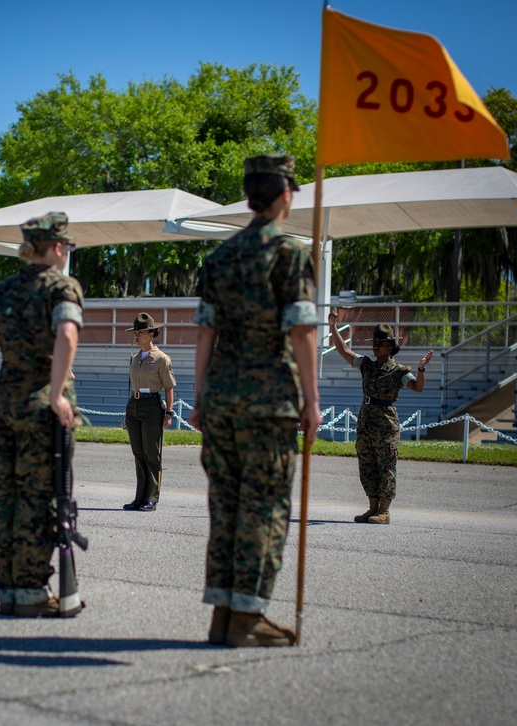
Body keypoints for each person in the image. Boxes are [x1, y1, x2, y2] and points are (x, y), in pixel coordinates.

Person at [189, 154, 321, 648]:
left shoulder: (219, 258)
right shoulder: (289, 254)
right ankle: (246, 617)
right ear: (285, 194)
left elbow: (205, 332)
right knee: (263, 508)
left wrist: (200, 396)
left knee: (226, 506)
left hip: (221, 398)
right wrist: (312, 400)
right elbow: (302, 330)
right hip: (268, 402)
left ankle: (224, 613)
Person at [0, 212, 84, 618]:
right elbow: (67, 334)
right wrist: (56, 394)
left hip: (3, 405)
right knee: (39, 499)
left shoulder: (0, 292)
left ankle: (8, 586)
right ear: (57, 247)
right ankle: (31, 590)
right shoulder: (61, 287)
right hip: (40, 408)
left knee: (6, 496)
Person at [327, 313, 433, 525]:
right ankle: (373, 506)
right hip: (366, 420)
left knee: (386, 465)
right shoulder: (367, 365)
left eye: (380, 343)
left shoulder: (398, 371)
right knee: (367, 464)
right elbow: (344, 350)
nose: (375, 347)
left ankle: (384, 511)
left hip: (385, 423)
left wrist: (421, 369)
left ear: (390, 347)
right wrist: (333, 327)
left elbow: (418, 387)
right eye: (374, 343)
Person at [122, 313, 176, 512]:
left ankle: (151, 498)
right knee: (138, 454)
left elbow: (169, 387)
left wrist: (169, 413)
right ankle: (139, 497)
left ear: (152, 334)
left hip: (152, 405)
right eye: (135, 332)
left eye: (141, 332)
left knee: (151, 454)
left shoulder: (161, 359)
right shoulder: (135, 358)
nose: (136, 336)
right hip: (134, 405)